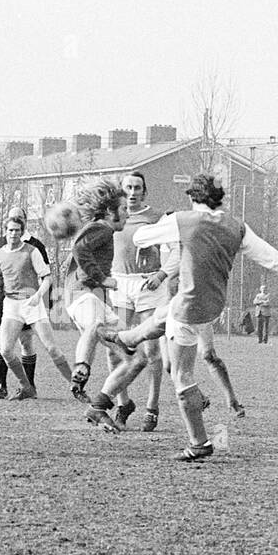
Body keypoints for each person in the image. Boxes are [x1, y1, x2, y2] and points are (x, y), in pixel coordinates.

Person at [93, 174, 278, 460]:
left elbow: (141, 237)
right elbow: (272, 259)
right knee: (161, 315)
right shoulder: (236, 226)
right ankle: (128, 338)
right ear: (220, 200)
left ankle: (199, 442)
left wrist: (159, 227)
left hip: (190, 307)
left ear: (193, 198)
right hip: (212, 305)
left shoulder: (185, 220)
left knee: (181, 377)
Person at [0, 213, 77, 400]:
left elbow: (47, 278)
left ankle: (76, 386)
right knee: (5, 350)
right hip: (11, 305)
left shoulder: (32, 251)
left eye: (17, 230)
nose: (13, 234)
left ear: (22, 232)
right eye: (10, 230)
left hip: (32, 304)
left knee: (51, 348)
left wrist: (38, 296)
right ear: (5, 231)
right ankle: (26, 386)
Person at [107, 171, 169, 430]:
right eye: (128, 187)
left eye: (137, 188)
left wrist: (161, 274)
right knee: (116, 345)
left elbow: (174, 250)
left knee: (152, 350)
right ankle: (123, 402)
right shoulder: (113, 216)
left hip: (148, 284)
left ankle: (152, 408)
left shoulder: (156, 218)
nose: (133, 192)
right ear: (122, 191)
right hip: (120, 284)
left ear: (144, 192)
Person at [63, 179, 128, 404]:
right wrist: (103, 279)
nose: (127, 214)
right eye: (124, 209)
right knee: (95, 327)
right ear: (111, 211)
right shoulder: (103, 228)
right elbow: (80, 249)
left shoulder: (100, 229)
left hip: (92, 295)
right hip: (81, 292)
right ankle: (80, 371)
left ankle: (123, 403)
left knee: (128, 349)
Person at [0, 207, 50, 398]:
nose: (15, 223)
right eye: (12, 219)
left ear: (24, 222)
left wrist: (44, 301)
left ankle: (30, 386)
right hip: (1, 299)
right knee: (0, 344)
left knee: (26, 343)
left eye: (19, 218)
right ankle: (2, 386)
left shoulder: (36, 246)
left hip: (26, 301)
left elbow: (45, 276)